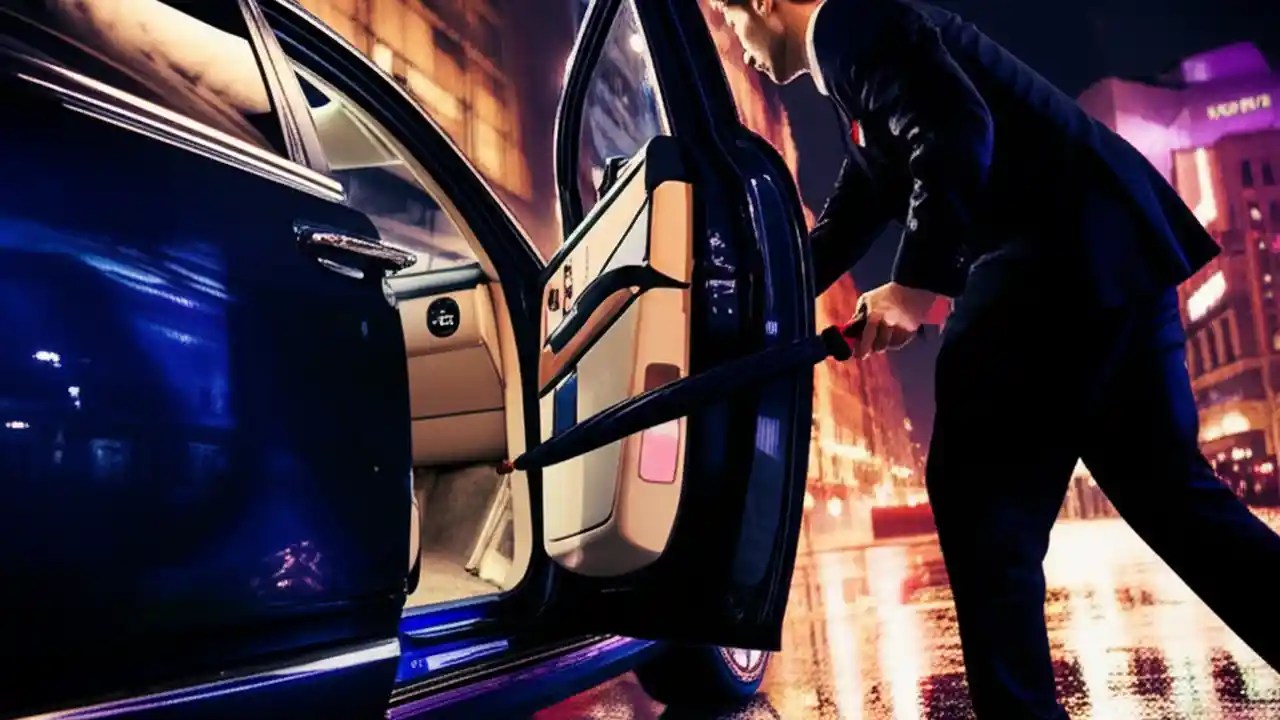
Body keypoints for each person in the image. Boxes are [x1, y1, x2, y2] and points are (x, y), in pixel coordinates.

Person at [709, 0, 1280, 717]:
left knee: (981, 502)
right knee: (1177, 506)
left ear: (764, 2)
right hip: (1113, 256)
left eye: (729, 14)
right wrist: (764, 304)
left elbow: (955, 129)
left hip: (1049, 264)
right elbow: (863, 199)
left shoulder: (856, 24)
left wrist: (913, 289)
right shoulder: (858, 53)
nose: (738, 40)